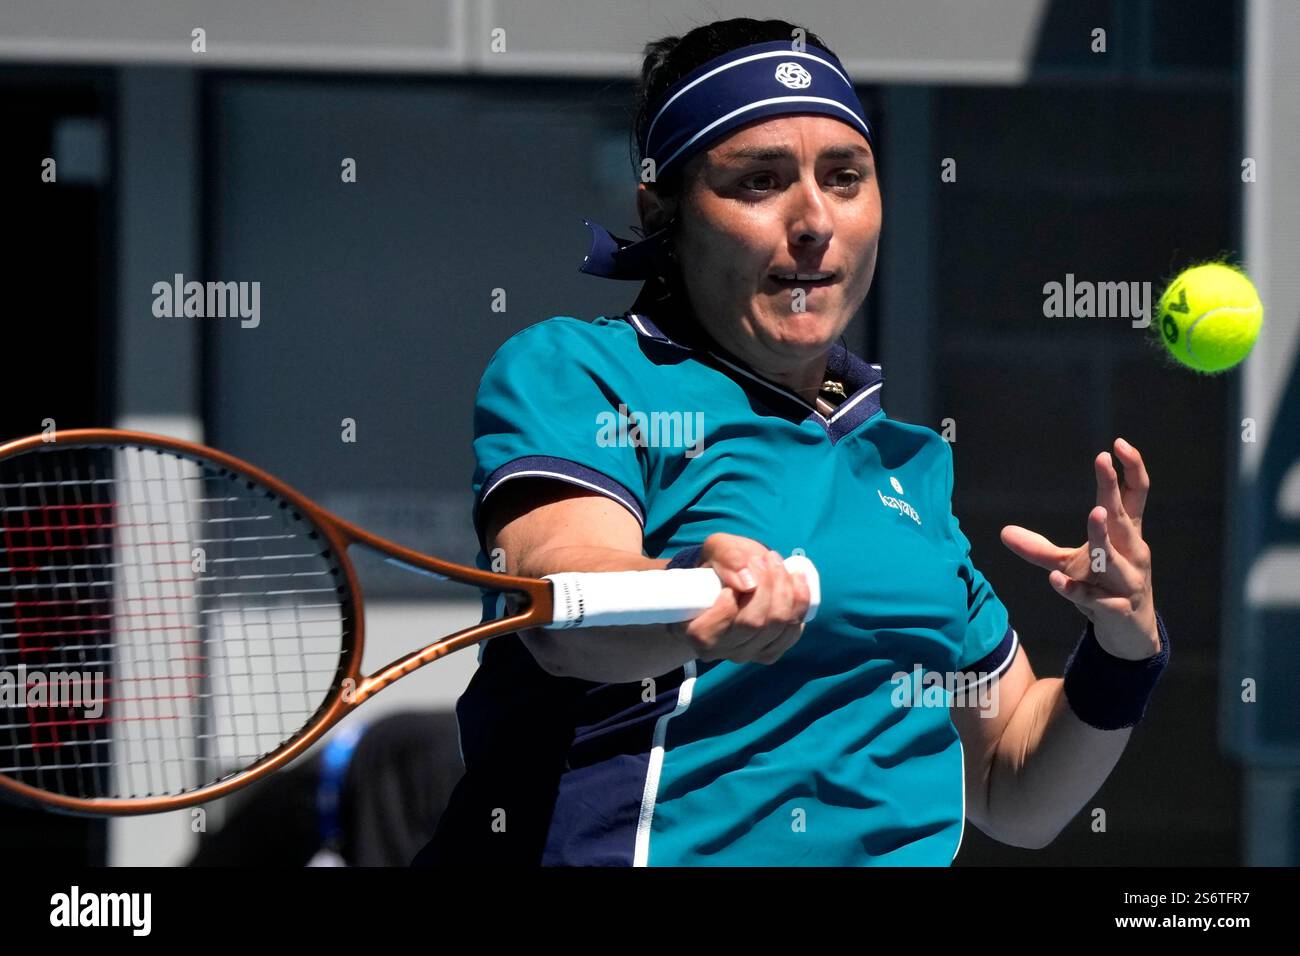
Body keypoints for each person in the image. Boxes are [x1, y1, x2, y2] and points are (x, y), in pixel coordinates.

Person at [414, 16, 1169, 867]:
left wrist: (1122, 647)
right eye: (760, 181)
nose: (813, 219)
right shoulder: (581, 371)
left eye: (845, 178)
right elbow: (561, 598)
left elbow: (1013, 785)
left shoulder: (905, 463)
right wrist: (692, 594)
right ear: (661, 207)